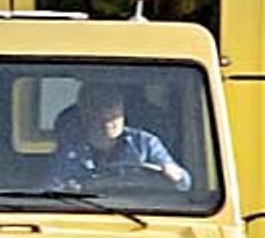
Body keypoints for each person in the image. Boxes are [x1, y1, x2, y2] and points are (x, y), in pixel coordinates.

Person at [51, 82, 191, 192]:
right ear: (83, 112)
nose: (106, 115)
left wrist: (175, 174)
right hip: (87, 211)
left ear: (122, 109)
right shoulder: (70, 150)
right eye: (97, 106)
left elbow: (185, 184)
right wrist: (69, 189)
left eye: (112, 106)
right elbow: (52, 187)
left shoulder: (146, 143)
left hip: (144, 210)